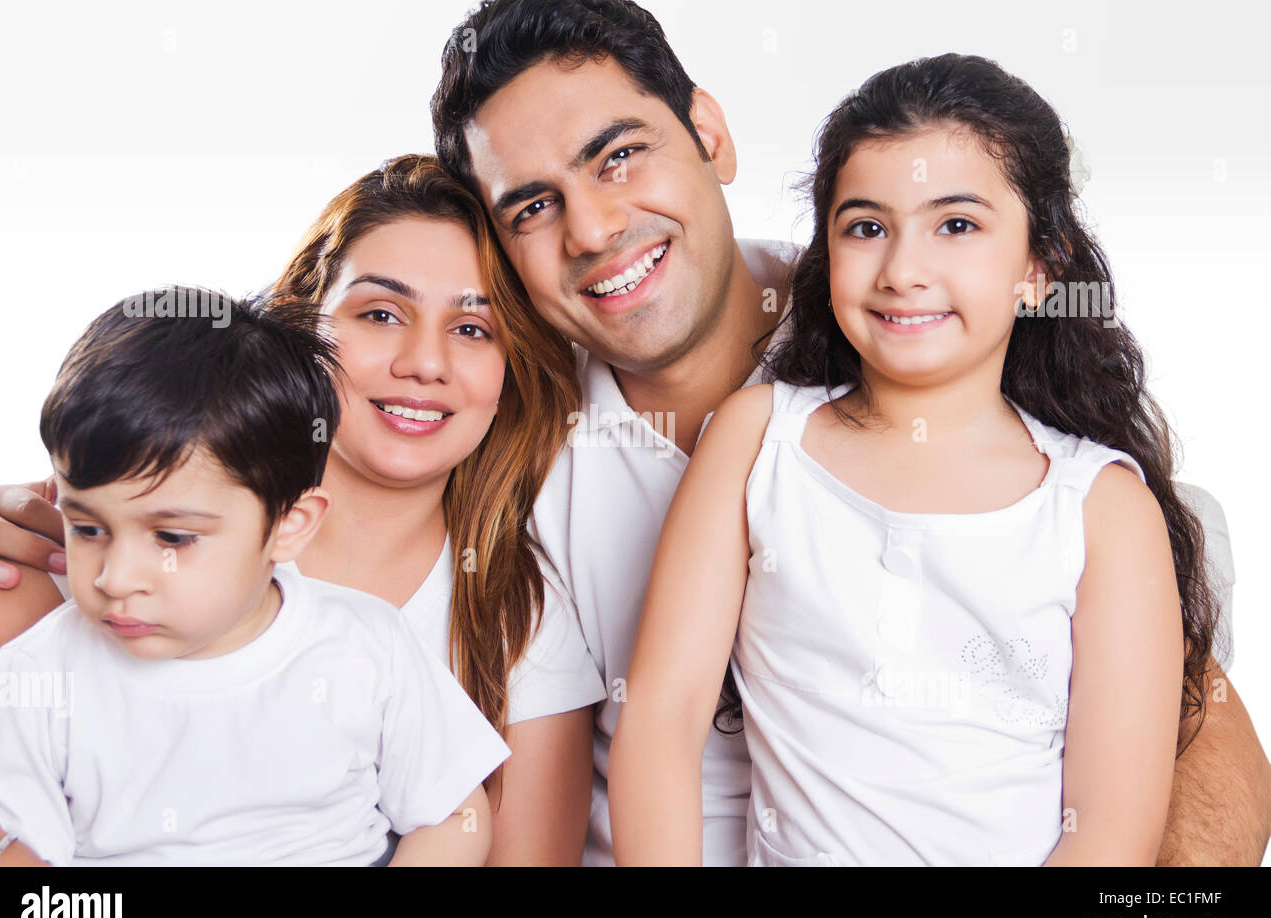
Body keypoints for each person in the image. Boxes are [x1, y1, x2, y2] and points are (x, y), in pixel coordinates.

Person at [425, 0, 1265, 865]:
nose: (594, 228)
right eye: (531, 207)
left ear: (709, 133)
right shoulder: (505, 449)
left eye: (621, 155)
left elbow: (1188, 741)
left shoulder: (1033, 435)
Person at [611, 54, 1209, 865]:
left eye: (956, 225)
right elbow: (660, 720)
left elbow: (1110, 834)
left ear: (1039, 267)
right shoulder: (756, 439)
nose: (903, 271)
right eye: (866, 227)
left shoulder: (1098, 508)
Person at [0, 156, 604, 867]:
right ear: (299, 324)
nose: (425, 363)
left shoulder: (509, 612)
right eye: (381, 313)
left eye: (472, 329)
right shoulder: (82, 555)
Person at [0, 290, 510, 865]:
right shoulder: (36, 680)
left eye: (172, 538)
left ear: (289, 525)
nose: (116, 577)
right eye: (87, 528)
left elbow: (454, 815)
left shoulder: (366, 644)